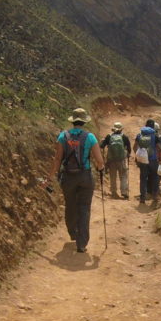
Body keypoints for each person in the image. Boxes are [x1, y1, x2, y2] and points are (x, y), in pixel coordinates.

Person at [51, 107, 104, 252]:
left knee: (70, 204)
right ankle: (82, 244)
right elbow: (99, 161)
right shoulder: (90, 137)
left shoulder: (63, 136)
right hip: (85, 176)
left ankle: (72, 232)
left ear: (73, 121)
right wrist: (100, 168)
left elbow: (57, 159)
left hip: (68, 177)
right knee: (84, 208)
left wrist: (50, 177)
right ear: (84, 121)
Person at [134, 117, 161, 206]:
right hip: (153, 161)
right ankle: (154, 196)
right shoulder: (155, 136)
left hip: (142, 161)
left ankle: (142, 198)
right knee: (155, 177)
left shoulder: (139, 135)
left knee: (143, 179)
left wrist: (139, 156)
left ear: (145, 125)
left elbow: (134, 147)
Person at [102, 121, 131, 198]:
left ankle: (114, 192)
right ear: (121, 129)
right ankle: (124, 191)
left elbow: (101, 146)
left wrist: (103, 141)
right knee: (123, 175)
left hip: (111, 159)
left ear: (113, 129)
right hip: (121, 159)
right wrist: (128, 154)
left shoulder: (109, 136)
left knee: (113, 176)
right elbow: (129, 148)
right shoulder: (124, 137)